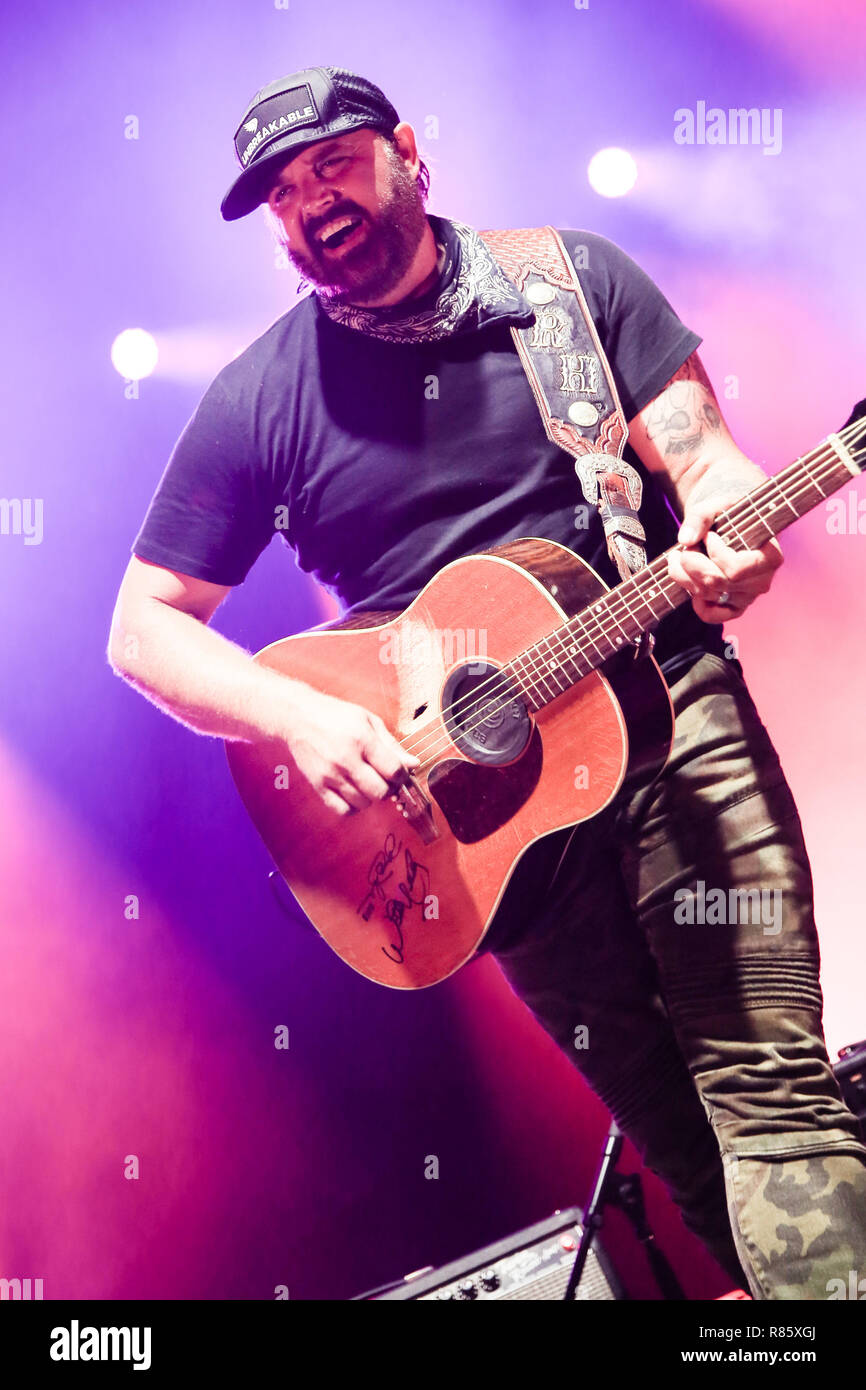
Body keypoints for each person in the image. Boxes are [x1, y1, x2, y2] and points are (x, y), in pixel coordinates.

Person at [108, 66, 866, 1299]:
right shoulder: (257, 398)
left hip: (670, 717)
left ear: (411, 151)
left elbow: (711, 470)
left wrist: (731, 534)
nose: (313, 205)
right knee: (679, 1142)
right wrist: (300, 713)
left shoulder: (571, 282)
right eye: (286, 196)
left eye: (334, 166)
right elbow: (144, 631)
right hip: (478, 824)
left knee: (767, 1099)